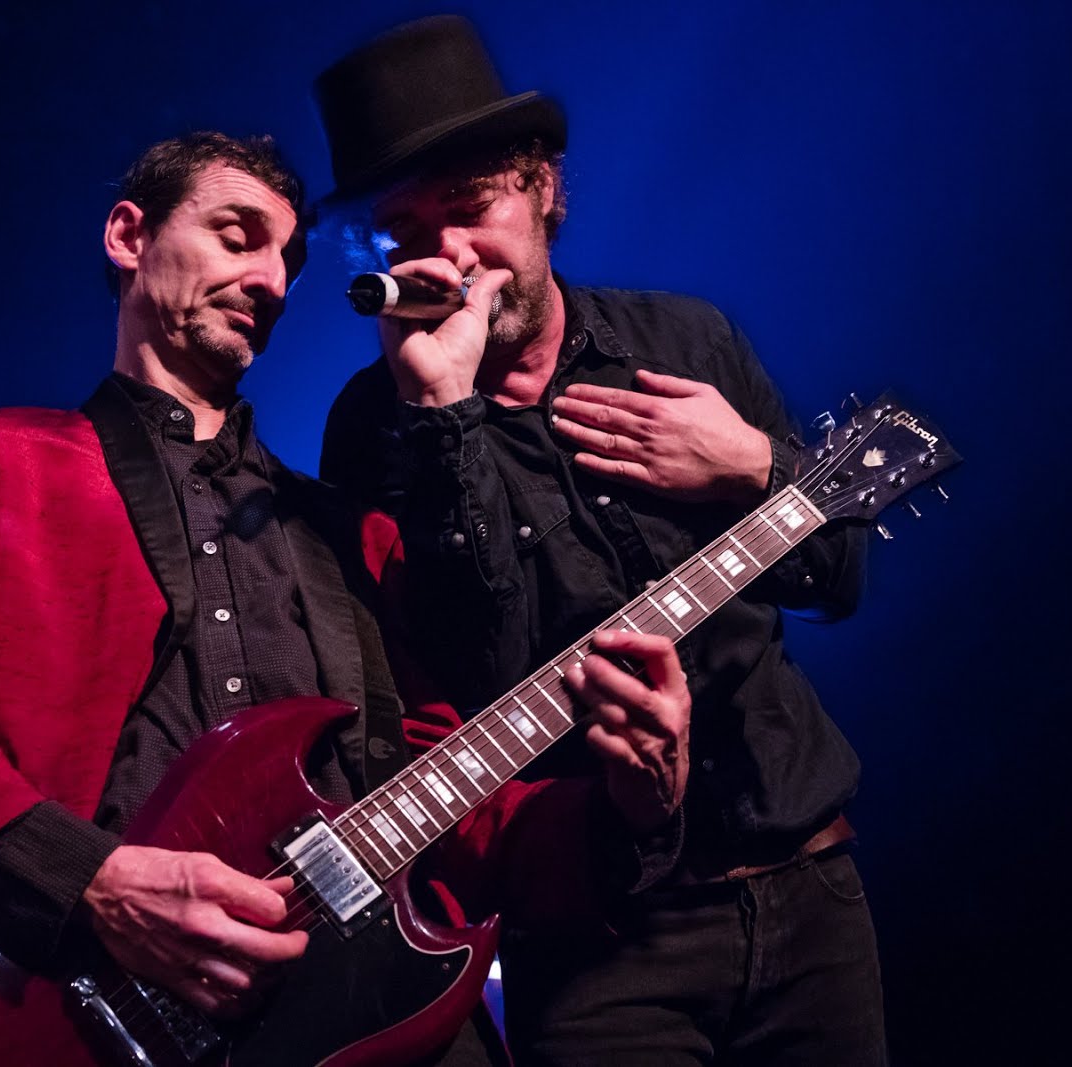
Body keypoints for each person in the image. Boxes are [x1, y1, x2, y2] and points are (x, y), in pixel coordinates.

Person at [0, 131, 687, 1066]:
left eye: (289, 260)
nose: (272, 282)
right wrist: (93, 879)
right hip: (74, 1019)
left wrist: (627, 808)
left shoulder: (348, 530)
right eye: (238, 237)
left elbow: (444, 798)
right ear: (127, 236)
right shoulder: (7, 459)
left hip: (368, 1028)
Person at [312, 16, 885, 1066]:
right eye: (404, 233)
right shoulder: (375, 424)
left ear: (541, 188)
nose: (448, 254)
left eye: (471, 207)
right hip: (595, 940)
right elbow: (467, 672)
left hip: (803, 883)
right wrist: (444, 419)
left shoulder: (685, 339)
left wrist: (757, 467)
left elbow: (836, 580)